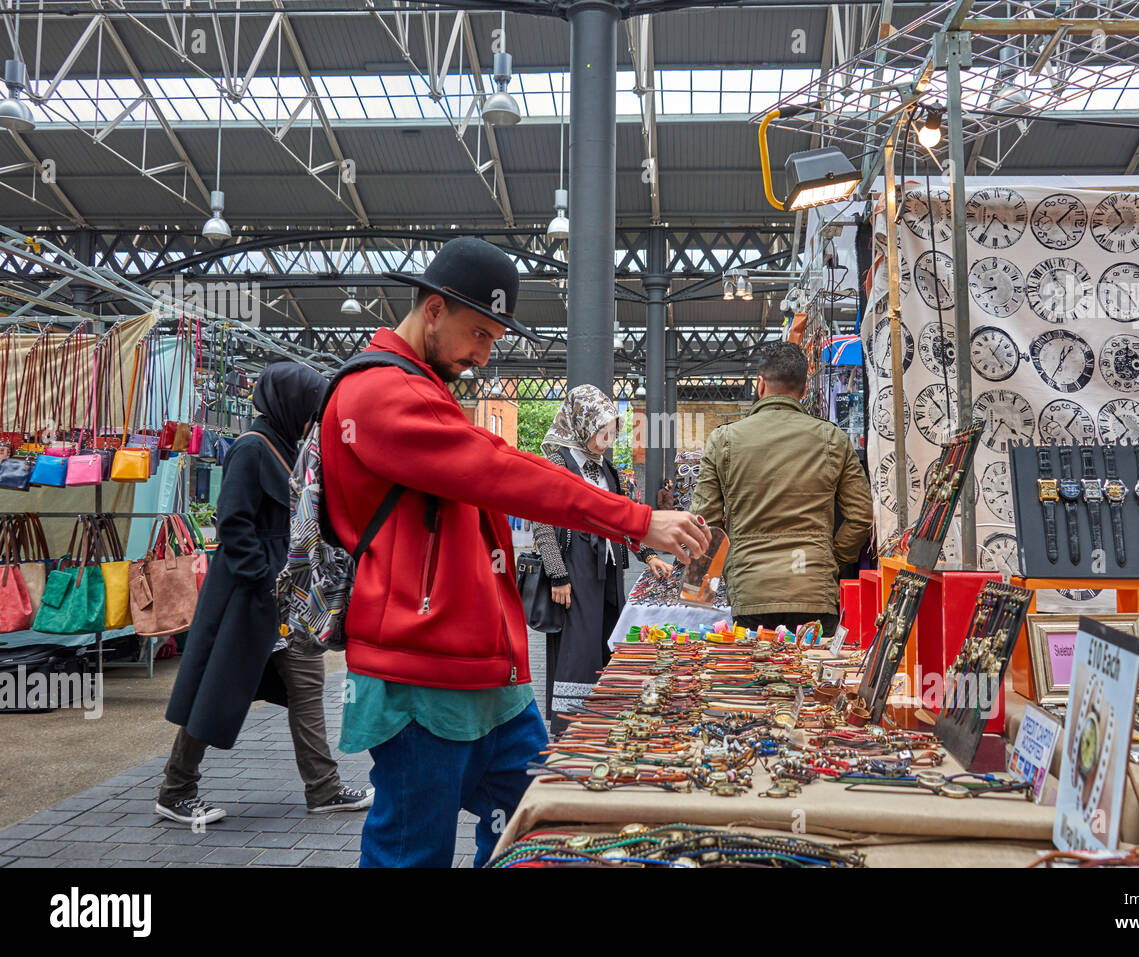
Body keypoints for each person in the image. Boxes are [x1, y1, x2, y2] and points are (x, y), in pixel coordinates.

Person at [321, 237, 709, 868]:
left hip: (488, 672)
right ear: (434, 309)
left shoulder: (423, 388)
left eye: (494, 338)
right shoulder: (378, 394)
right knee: (412, 854)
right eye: (479, 333)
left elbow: (499, 471)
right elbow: (500, 470)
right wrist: (636, 520)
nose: (484, 353)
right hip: (422, 674)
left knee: (538, 829)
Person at [157, 362, 373, 826]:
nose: (312, 419)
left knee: (306, 685)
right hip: (248, 597)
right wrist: (263, 581)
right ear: (289, 403)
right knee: (217, 689)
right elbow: (233, 524)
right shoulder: (252, 448)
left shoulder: (285, 447)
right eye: (309, 409)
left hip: (283, 596)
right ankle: (176, 790)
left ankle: (324, 789)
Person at [690, 341, 873, 635]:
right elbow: (861, 516)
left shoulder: (724, 440)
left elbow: (705, 523)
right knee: (814, 665)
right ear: (804, 389)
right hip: (813, 587)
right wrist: (830, 559)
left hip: (751, 590)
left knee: (756, 664)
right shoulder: (832, 439)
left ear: (760, 384)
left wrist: (732, 567)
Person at [532, 386, 673, 724]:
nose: (606, 440)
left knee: (606, 639)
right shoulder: (558, 464)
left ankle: (601, 716)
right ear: (581, 424)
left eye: (611, 432)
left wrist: (649, 555)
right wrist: (558, 575)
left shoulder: (606, 469)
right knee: (577, 645)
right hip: (574, 567)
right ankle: (569, 724)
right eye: (601, 431)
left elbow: (620, 519)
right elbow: (542, 522)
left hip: (606, 569)